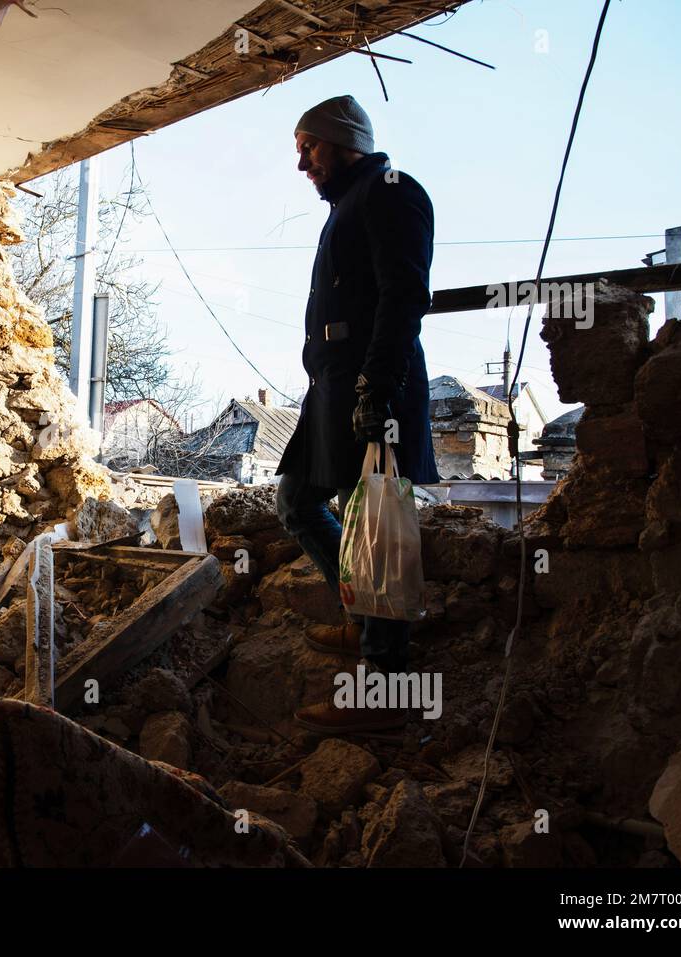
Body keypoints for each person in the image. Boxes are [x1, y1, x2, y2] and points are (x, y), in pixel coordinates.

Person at [274, 95, 440, 732]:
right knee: (297, 503)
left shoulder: (390, 190)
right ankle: (368, 619)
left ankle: (386, 686)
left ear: (346, 142)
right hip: (337, 387)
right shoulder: (353, 201)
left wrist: (376, 383)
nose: (301, 164)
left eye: (308, 148)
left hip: (372, 387)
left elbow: (405, 295)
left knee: (373, 526)